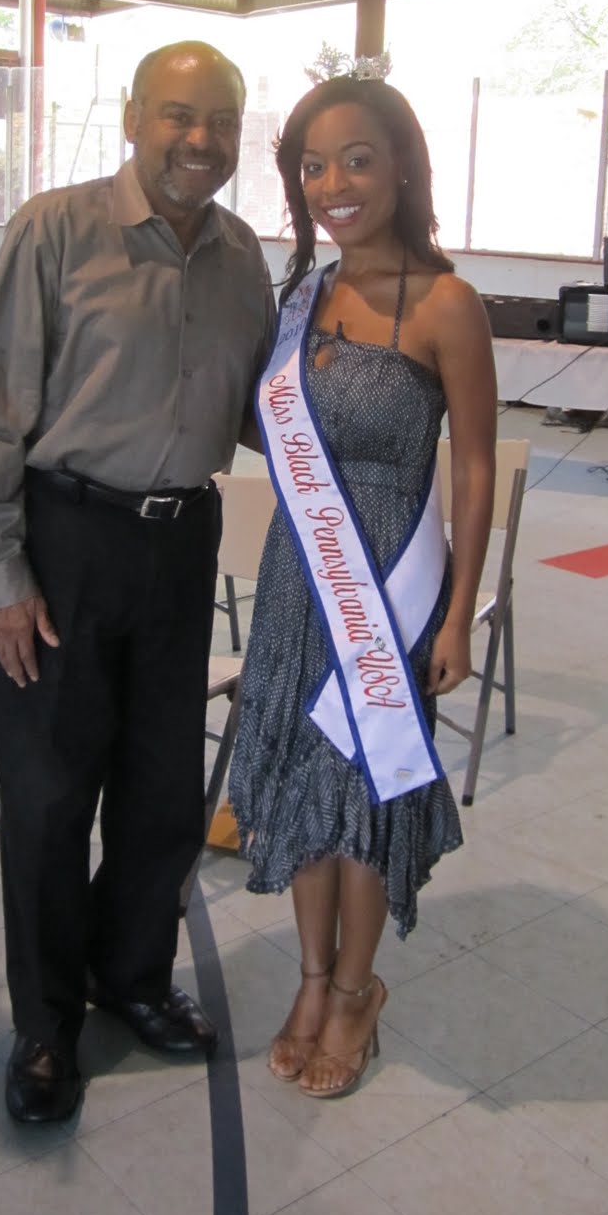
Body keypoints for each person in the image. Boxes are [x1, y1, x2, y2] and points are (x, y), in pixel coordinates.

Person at [0, 40, 273, 1125]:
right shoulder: (56, 228)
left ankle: (131, 974)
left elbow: (252, 410)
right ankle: (45, 1025)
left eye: (220, 120)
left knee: (162, 790)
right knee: (50, 799)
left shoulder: (242, 255)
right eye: (178, 114)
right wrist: (4, 576)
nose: (200, 139)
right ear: (134, 117)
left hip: (183, 543)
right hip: (66, 541)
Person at [229, 72, 497, 1099]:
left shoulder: (448, 304)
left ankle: (356, 991)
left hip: (392, 582)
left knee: (367, 784)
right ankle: (310, 981)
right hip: (299, 576)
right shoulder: (301, 298)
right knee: (304, 785)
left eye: (356, 161)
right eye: (312, 166)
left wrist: (460, 613)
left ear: (401, 169)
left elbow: (474, 468)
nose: (333, 184)